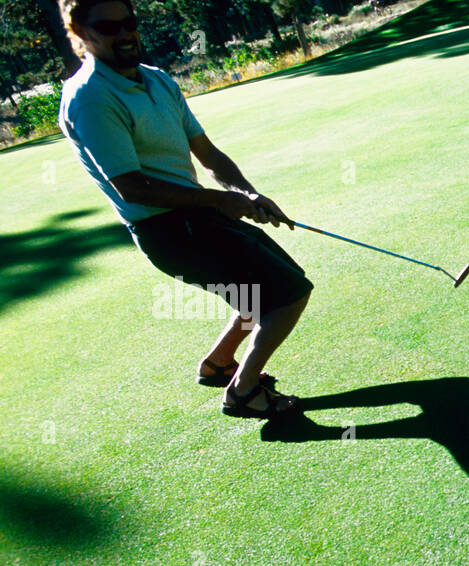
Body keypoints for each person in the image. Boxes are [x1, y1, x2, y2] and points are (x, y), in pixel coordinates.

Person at [58, 0, 309, 418]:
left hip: (199, 216)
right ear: (80, 33)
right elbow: (133, 188)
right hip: (167, 230)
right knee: (288, 294)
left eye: (129, 23)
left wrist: (246, 193)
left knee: (259, 291)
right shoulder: (91, 99)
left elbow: (208, 153)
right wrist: (220, 200)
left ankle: (217, 365)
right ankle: (243, 392)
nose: (124, 34)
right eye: (108, 27)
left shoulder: (156, 80)